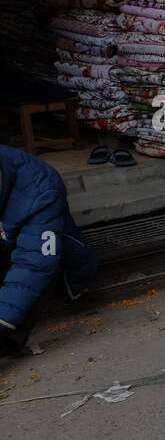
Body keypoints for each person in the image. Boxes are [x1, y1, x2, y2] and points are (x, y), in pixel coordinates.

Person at [0, 144, 97, 356]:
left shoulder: (40, 187)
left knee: (42, 271)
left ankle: (10, 340)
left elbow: (33, 265)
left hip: (38, 255)